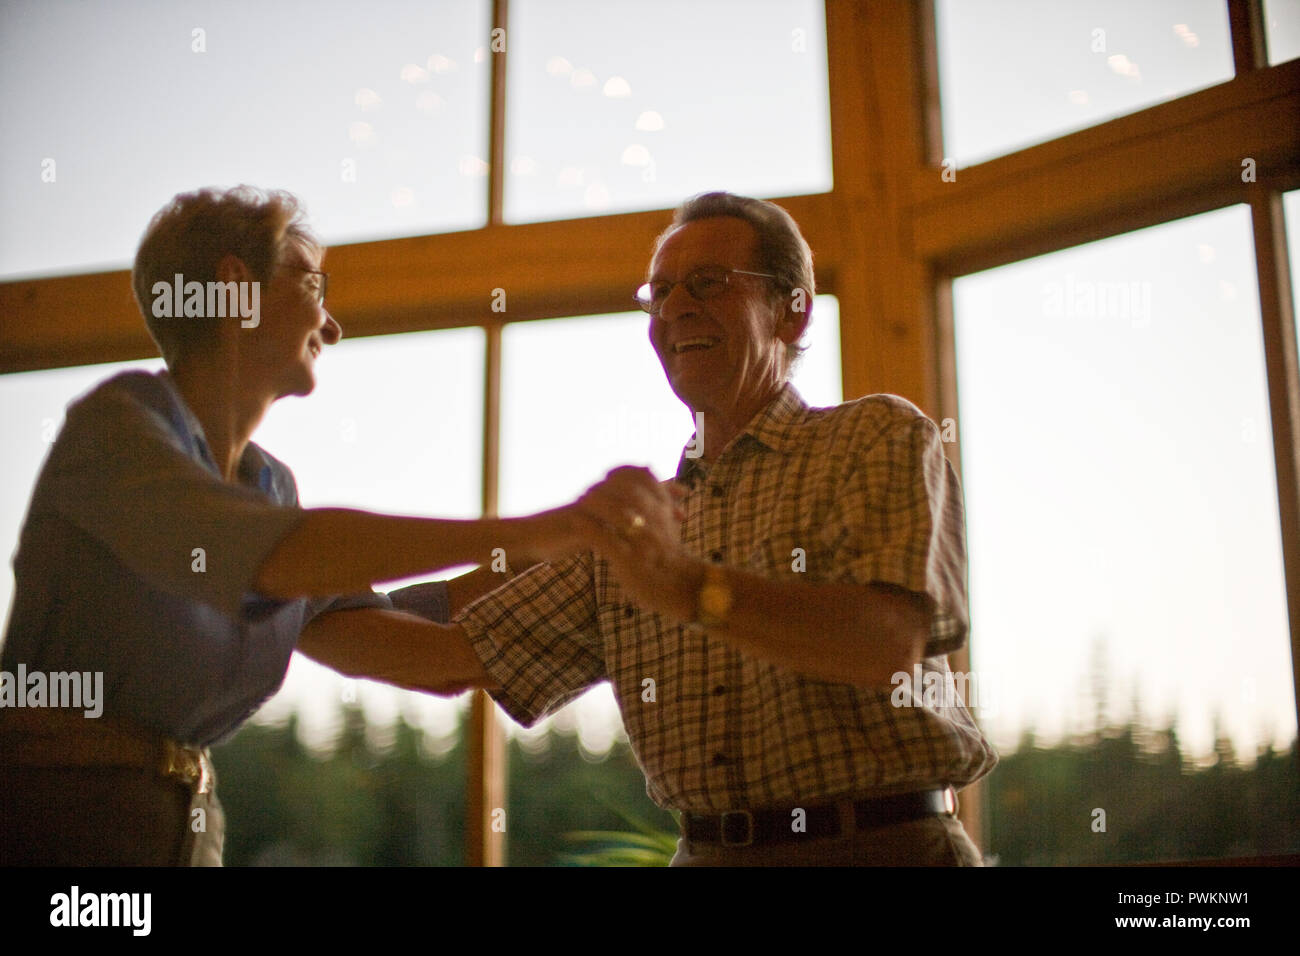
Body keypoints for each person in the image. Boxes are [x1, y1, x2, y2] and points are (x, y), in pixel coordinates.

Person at [303, 191, 998, 866]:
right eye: (659, 292)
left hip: (887, 850)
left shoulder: (874, 434)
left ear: (791, 314)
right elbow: (443, 650)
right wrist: (277, 603)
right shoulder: (633, 533)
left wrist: (689, 588)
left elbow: (884, 644)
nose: (675, 307)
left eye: (707, 282)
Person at [0, 185, 675, 866]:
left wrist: (603, 558)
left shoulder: (269, 488)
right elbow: (278, 557)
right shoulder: (118, 427)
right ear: (235, 286)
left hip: (188, 832)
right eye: (313, 282)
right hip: (60, 821)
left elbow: (435, 653)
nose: (333, 324)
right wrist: (540, 529)